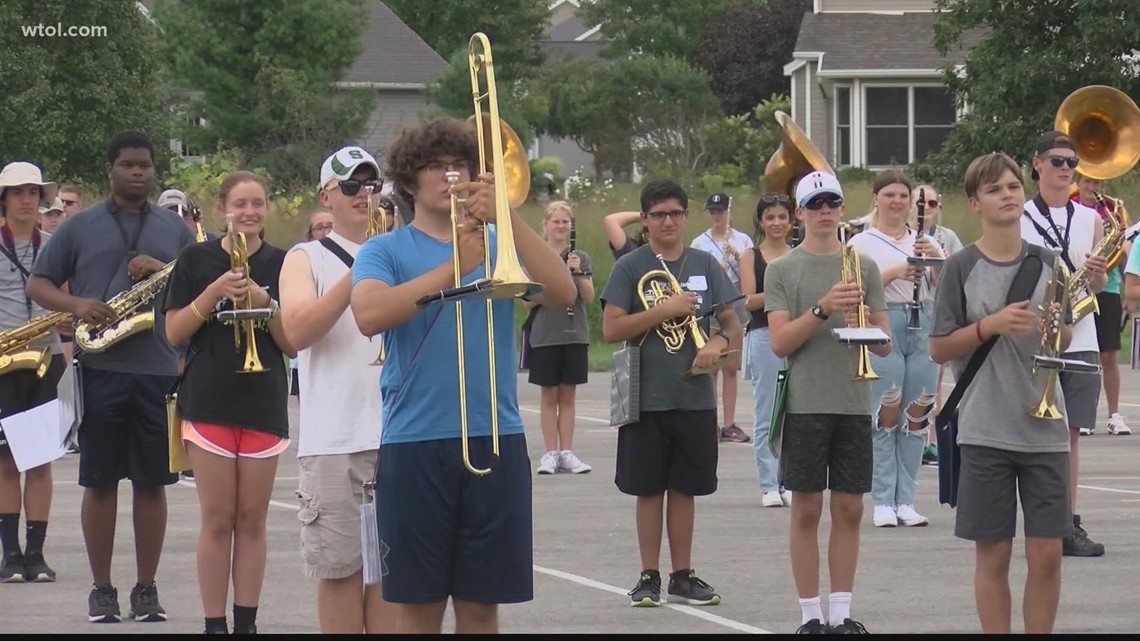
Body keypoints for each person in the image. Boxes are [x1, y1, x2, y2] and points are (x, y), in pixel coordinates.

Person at [348, 117, 575, 634]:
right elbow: (369, 315)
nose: (449, 176)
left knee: (480, 607)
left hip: (496, 436)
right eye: (434, 167)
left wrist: (506, 218)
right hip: (416, 442)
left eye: (459, 166)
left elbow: (562, 293)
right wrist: (455, 267)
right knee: (419, 607)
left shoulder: (499, 243)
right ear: (408, 181)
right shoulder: (385, 249)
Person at [27, 131, 195, 623]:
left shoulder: (173, 229)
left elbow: (199, 284)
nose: (138, 172)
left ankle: (146, 588)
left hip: (157, 368)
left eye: (145, 165)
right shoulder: (80, 227)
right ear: (110, 170)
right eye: (127, 165)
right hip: (99, 365)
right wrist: (77, 304)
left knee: (152, 483)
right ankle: (102, 589)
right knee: (98, 482)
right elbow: (39, 283)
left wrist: (164, 267)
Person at [930, 151, 1074, 634]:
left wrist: (1054, 328)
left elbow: (1065, 336)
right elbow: (938, 347)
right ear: (975, 202)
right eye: (994, 189)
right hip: (986, 427)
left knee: (1048, 555)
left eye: (1013, 186)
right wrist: (989, 326)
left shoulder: (1050, 262)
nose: (1007, 195)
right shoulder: (960, 267)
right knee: (993, 554)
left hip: (1045, 428)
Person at [162, 171, 293, 635]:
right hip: (209, 401)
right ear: (222, 209)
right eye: (240, 203)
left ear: (267, 208)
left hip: (263, 402)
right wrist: (215, 291)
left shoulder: (283, 261)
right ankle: (214, 622)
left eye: (257, 203)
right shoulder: (195, 259)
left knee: (252, 519)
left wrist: (264, 301)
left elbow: (293, 342)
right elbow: (174, 332)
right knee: (217, 518)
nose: (249, 212)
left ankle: (247, 623)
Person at [601, 179, 740, 608]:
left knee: (685, 488)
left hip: (694, 396)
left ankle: (683, 574)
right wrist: (664, 310)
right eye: (658, 214)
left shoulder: (705, 262)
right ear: (644, 220)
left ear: (685, 216)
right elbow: (610, 329)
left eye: (676, 213)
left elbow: (733, 325)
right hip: (646, 393)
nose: (668, 221)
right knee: (649, 488)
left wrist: (716, 345)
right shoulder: (631, 266)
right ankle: (649, 574)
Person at [764, 170, 890, 634]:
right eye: (815, 204)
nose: (824, 211)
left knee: (850, 508)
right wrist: (822, 308)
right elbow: (779, 342)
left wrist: (861, 319)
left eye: (832, 203)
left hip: (854, 400)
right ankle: (809, 614)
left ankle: (841, 612)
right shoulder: (781, 269)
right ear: (799, 212)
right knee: (806, 508)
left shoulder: (864, 266)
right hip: (806, 402)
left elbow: (885, 343)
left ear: (841, 209)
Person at [278, 145, 397, 633]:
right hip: (335, 440)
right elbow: (299, 330)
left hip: (397, 434)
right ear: (327, 195)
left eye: (372, 185)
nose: (363, 195)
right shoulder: (305, 257)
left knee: (391, 577)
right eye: (351, 186)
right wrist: (363, 267)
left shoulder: (399, 250)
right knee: (341, 571)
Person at [1019, 130, 1107, 558]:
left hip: (1081, 333)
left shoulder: (1090, 218)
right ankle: (1042, 521)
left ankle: (1068, 523)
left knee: (1070, 435)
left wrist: (1096, 272)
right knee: (1037, 435)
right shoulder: (1018, 216)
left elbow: (1100, 283)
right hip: (1035, 333)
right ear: (1036, 164)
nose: (1066, 169)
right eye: (1057, 161)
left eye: (1071, 162)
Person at [847, 170, 943, 528]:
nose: (898, 202)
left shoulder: (925, 240)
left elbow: (944, 285)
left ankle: (907, 499)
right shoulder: (862, 243)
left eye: (905, 196)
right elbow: (855, 286)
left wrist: (933, 259)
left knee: (918, 412)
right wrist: (898, 270)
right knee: (885, 409)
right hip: (883, 319)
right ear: (876, 199)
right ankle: (883, 498)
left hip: (924, 321)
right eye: (890, 195)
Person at [0, 162, 66, 584]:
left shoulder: (56, 245)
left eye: (33, 192)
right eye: (18, 192)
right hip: (4, 363)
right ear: (4, 199)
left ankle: (37, 553)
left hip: (46, 359)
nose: (27, 199)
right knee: (5, 460)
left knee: (39, 461)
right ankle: (10, 555)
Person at [524, 200, 594, 475]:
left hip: (574, 333)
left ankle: (567, 451)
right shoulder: (535, 255)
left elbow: (588, 298)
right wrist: (553, 282)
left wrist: (575, 273)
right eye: (556, 221)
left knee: (568, 396)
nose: (561, 226)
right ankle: (550, 452)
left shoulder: (580, 256)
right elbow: (527, 301)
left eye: (565, 222)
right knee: (548, 396)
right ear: (545, 224)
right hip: (545, 334)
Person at [738, 192, 792, 507]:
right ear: (761, 221)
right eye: (770, 217)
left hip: (797, 335)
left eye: (781, 217)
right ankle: (768, 483)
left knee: (794, 413)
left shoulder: (799, 253)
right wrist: (783, 291)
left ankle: (788, 479)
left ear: (791, 220)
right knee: (768, 412)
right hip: (763, 334)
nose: (776, 223)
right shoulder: (751, 255)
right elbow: (750, 300)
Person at [689, 192, 753, 444]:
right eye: (713, 211)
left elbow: (748, 273)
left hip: (734, 304)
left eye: (721, 211)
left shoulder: (742, 240)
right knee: (711, 366)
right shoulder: (699, 243)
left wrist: (736, 257)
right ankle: (710, 420)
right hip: (711, 306)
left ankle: (729, 423)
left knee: (730, 367)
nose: (717, 216)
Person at [1072, 171, 1131, 435]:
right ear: (1079, 183)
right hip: (1078, 287)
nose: (1092, 187)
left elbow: (1121, 250)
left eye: (1097, 182)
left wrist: (1119, 250)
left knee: (1108, 352)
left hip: (1107, 286)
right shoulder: (1069, 207)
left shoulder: (1112, 210)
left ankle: (1114, 414)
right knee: (1083, 353)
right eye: (1087, 182)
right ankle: (1084, 414)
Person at [911, 184, 961, 466]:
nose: (927, 208)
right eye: (921, 203)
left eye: (932, 203)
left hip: (935, 309)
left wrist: (936, 257)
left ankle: (930, 439)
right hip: (908, 309)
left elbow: (956, 276)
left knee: (935, 380)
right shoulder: (902, 234)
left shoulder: (947, 236)